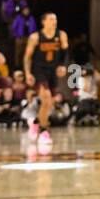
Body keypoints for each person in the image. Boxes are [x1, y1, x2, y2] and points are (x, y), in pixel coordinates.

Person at [23, 12, 68, 147]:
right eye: (51, 19)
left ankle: (36, 122)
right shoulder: (35, 37)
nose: (54, 21)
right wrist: (27, 73)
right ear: (43, 22)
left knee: (49, 104)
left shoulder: (61, 35)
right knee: (46, 99)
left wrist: (63, 66)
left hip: (52, 72)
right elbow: (27, 57)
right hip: (39, 71)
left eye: (55, 19)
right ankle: (44, 132)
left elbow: (65, 53)